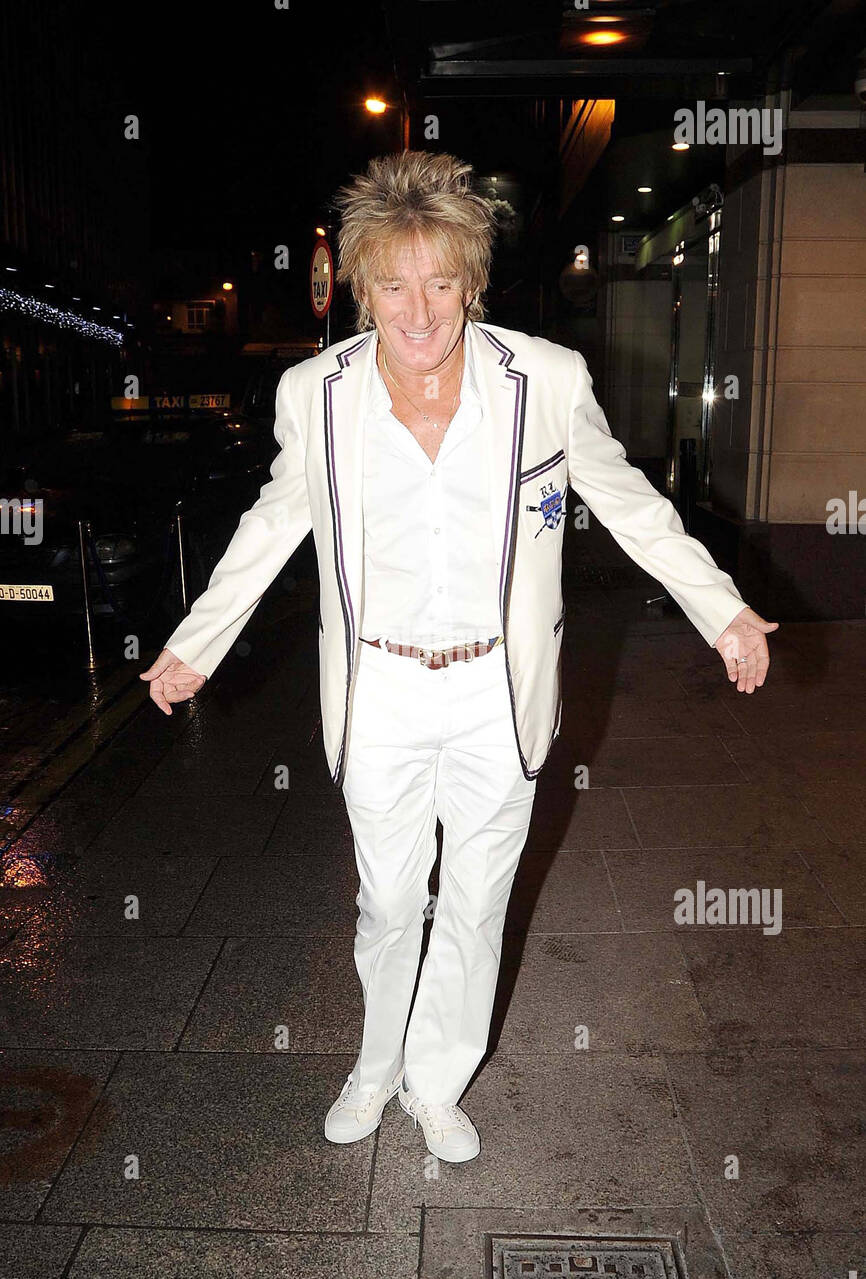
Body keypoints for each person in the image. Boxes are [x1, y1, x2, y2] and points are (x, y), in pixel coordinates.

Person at [141, 151, 777, 1164]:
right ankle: (373, 1061)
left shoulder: (546, 383)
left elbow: (627, 506)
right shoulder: (318, 396)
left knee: (477, 901)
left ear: (471, 280)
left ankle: (435, 1081)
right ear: (362, 288)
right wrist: (193, 644)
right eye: (393, 283)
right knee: (390, 899)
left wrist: (722, 610)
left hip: (495, 687)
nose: (419, 308)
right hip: (381, 686)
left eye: (441, 280)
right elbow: (273, 525)